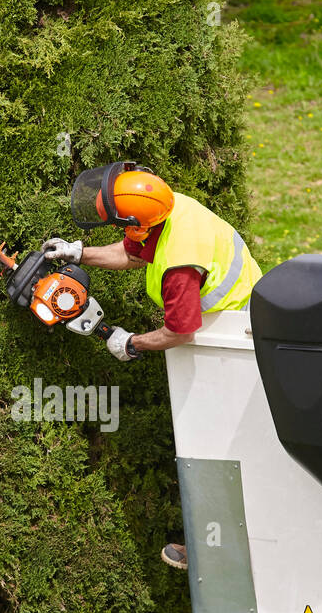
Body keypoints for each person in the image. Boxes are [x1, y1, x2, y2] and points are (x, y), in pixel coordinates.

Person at [41, 161, 262, 570]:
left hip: (233, 344)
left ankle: (215, 548)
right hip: (235, 325)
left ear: (140, 218)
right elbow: (131, 253)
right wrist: (78, 252)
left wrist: (131, 343)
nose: (123, 231)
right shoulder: (169, 207)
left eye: (123, 223)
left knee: (214, 447)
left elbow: (181, 330)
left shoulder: (180, 264)